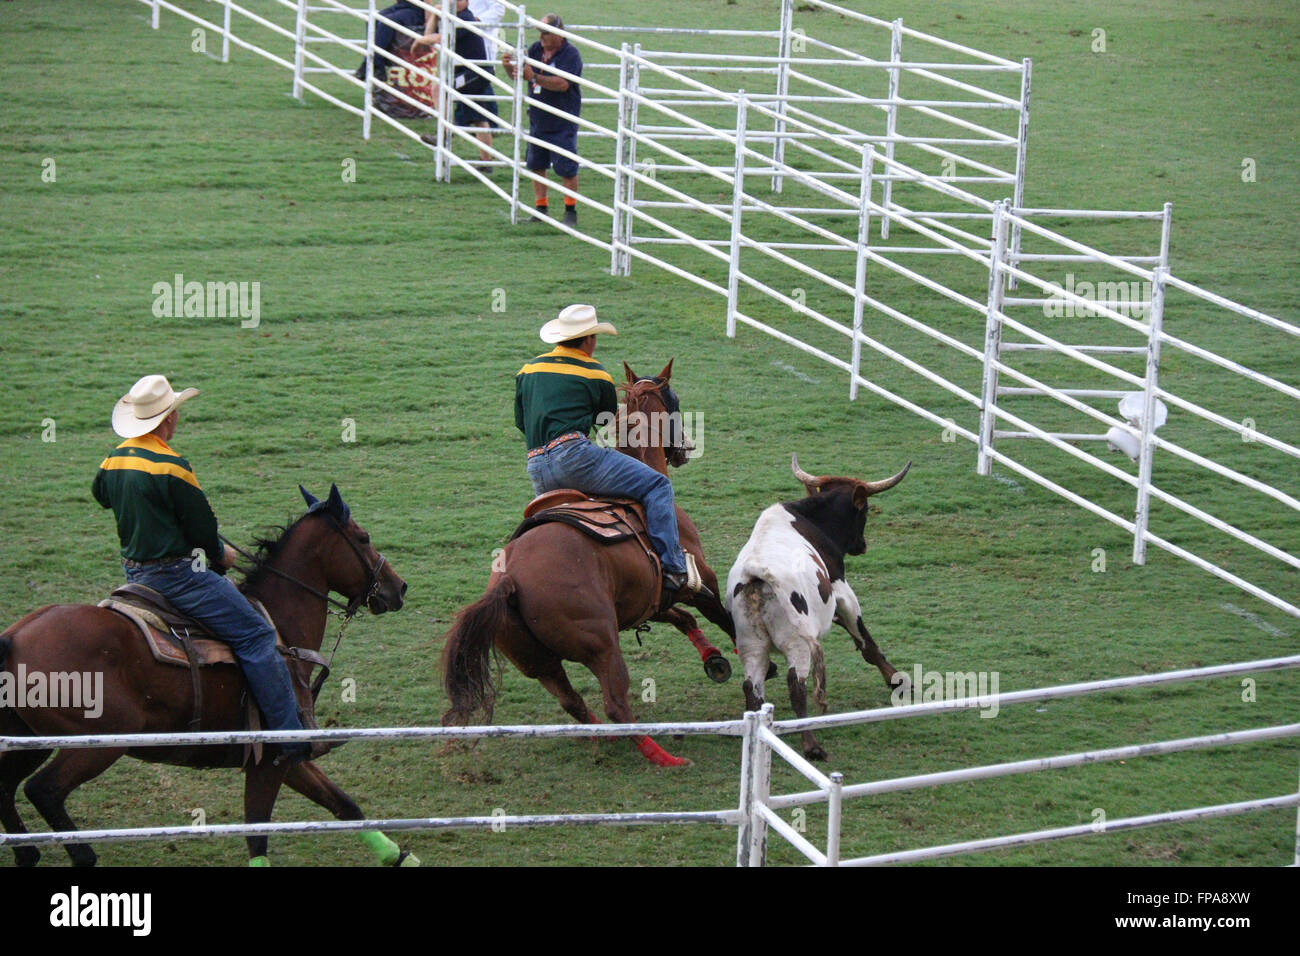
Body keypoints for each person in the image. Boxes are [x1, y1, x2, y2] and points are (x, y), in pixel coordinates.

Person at [92, 375, 310, 765]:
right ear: (168, 419)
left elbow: (101, 495)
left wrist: (151, 517)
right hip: (177, 577)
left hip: (135, 575)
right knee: (257, 635)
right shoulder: (173, 467)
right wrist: (219, 554)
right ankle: (290, 737)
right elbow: (204, 532)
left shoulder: (113, 459)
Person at [515, 305, 703, 603]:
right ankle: (673, 568)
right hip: (575, 457)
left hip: (536, 465)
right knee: (657, 484)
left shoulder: (528, 371)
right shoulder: (595, 372)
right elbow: (606, 424)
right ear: (589, 339)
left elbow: (521, 422)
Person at [502, 14, 583, 227]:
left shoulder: (571, 55)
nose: (541, 36)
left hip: (562, 119)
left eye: (546, 33)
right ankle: (541, 208)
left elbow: (563, 84)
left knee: (566, 167)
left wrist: (534, 78)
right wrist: (509, 66)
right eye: (540, 32)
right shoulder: (536, 50)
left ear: (558, 33)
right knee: (536, 164)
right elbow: (519, 75)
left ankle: (570, 210)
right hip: (538, 117)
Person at [414, 0, 499, 163]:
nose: (453, 2)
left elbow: (438, 38)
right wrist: (434, 15)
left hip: (473, 74)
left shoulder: (465, 19)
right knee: (479, 119)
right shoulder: (453, 18)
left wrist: (418, 42)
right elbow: (429, 33)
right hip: (473, 73)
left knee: (439, 88)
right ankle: (486, 161)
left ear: (466, 2)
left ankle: (445, 131)